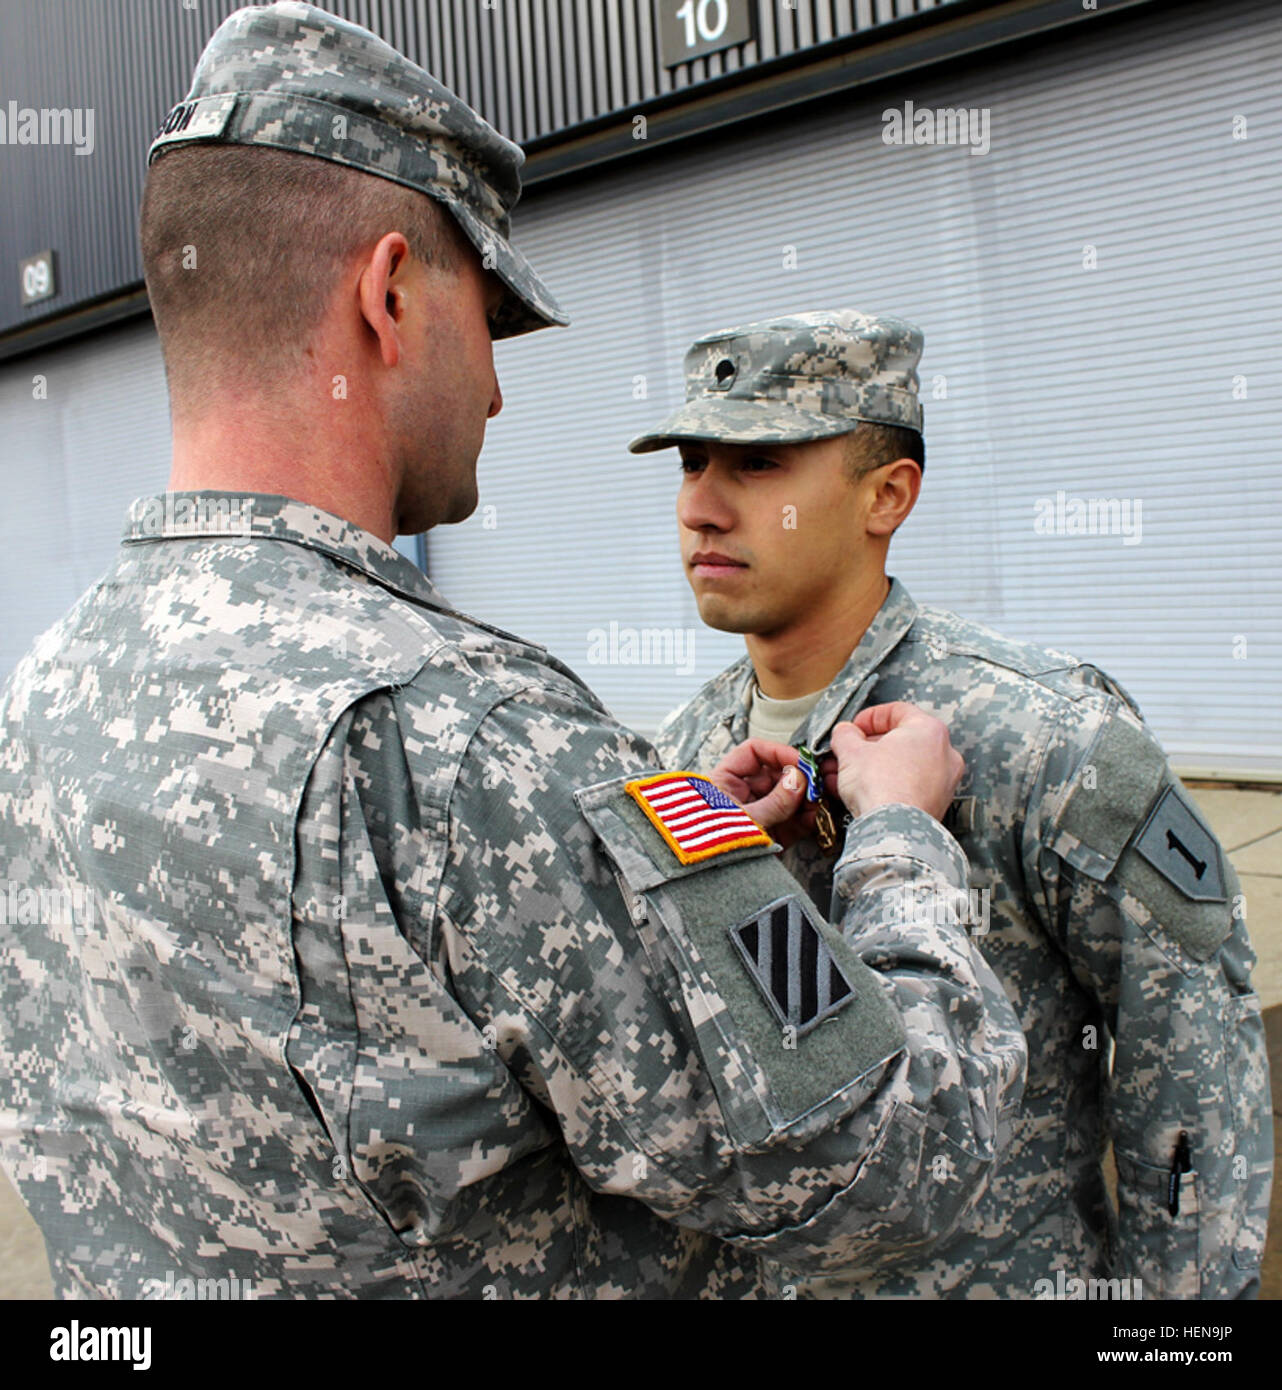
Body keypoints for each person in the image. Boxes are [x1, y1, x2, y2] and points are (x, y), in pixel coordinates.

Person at [0, 7, 1025, 1300]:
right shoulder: (479, 735)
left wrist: (675, 846)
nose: (495, 387)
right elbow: (891, 1151)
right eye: (486, 316)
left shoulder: (42, 700)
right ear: (386, 296)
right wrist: (897, 840)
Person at [637, 307, 1273, 1299]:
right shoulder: (680, 758)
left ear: (886, 495)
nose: (700, 507)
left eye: (758, 464)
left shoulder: (1045, 736)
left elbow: (1191, 1075)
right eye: (689, 461)